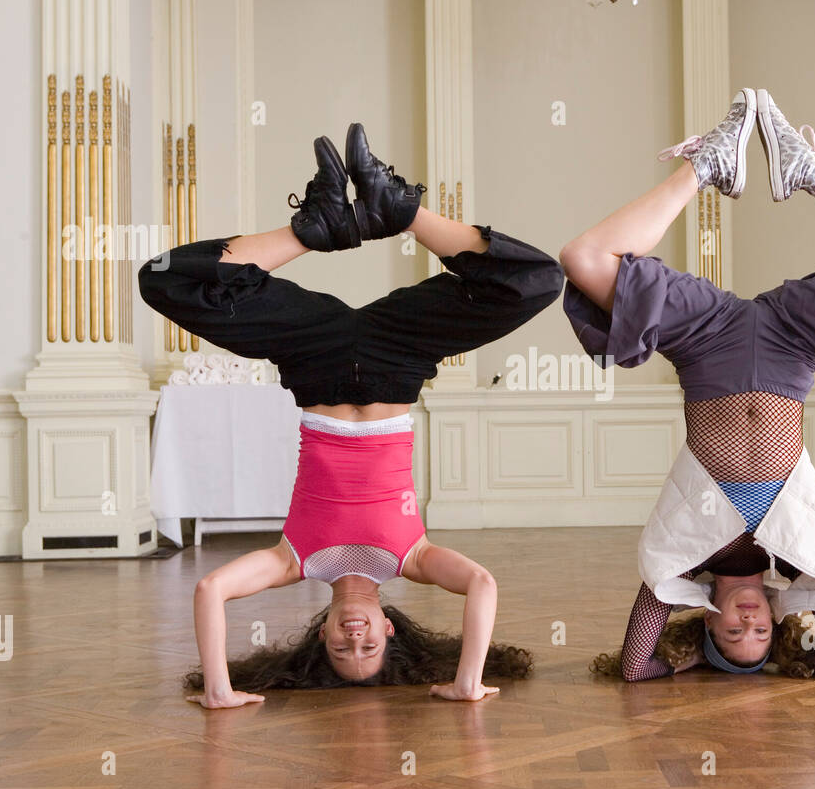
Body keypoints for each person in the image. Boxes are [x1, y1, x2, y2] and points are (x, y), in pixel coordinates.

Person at [138, 125, 563, 705]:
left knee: (165, 279)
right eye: (369, 649)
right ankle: (400, 210)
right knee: (537, 280)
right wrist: (468, 681)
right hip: (398, 355)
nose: (354, 640)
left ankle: (316, 227)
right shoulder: (412, 559)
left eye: (340, 650)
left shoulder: (294, 560)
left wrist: (219, 690)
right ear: (390, 629)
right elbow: (482, 585)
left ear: (322, 632)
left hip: (315, 358)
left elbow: (211, 589)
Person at [560, 89, 815, 681]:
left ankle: (706, 166)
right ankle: (810, 172)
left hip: (705, 343)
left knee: (583, 258)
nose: (748, 623)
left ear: (708, 619)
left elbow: (634, 667)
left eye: (732, 632)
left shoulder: (688, 560)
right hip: (792, 342)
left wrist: (690, 656)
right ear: (777, 619)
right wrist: (788, 651)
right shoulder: (794, 563)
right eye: (760, 633)